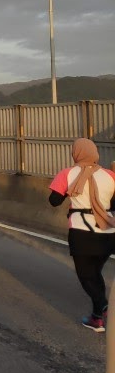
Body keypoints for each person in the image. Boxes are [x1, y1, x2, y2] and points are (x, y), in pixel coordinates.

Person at [49, 138, 115, 332]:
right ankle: (96, 319)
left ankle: (104, 307)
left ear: (75, 153)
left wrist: (72, 192)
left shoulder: (67, 174)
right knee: (95, 273)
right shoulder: (110, 175)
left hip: (82, 232)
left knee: (86, 276)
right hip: (108, 232)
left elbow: (54, 200)